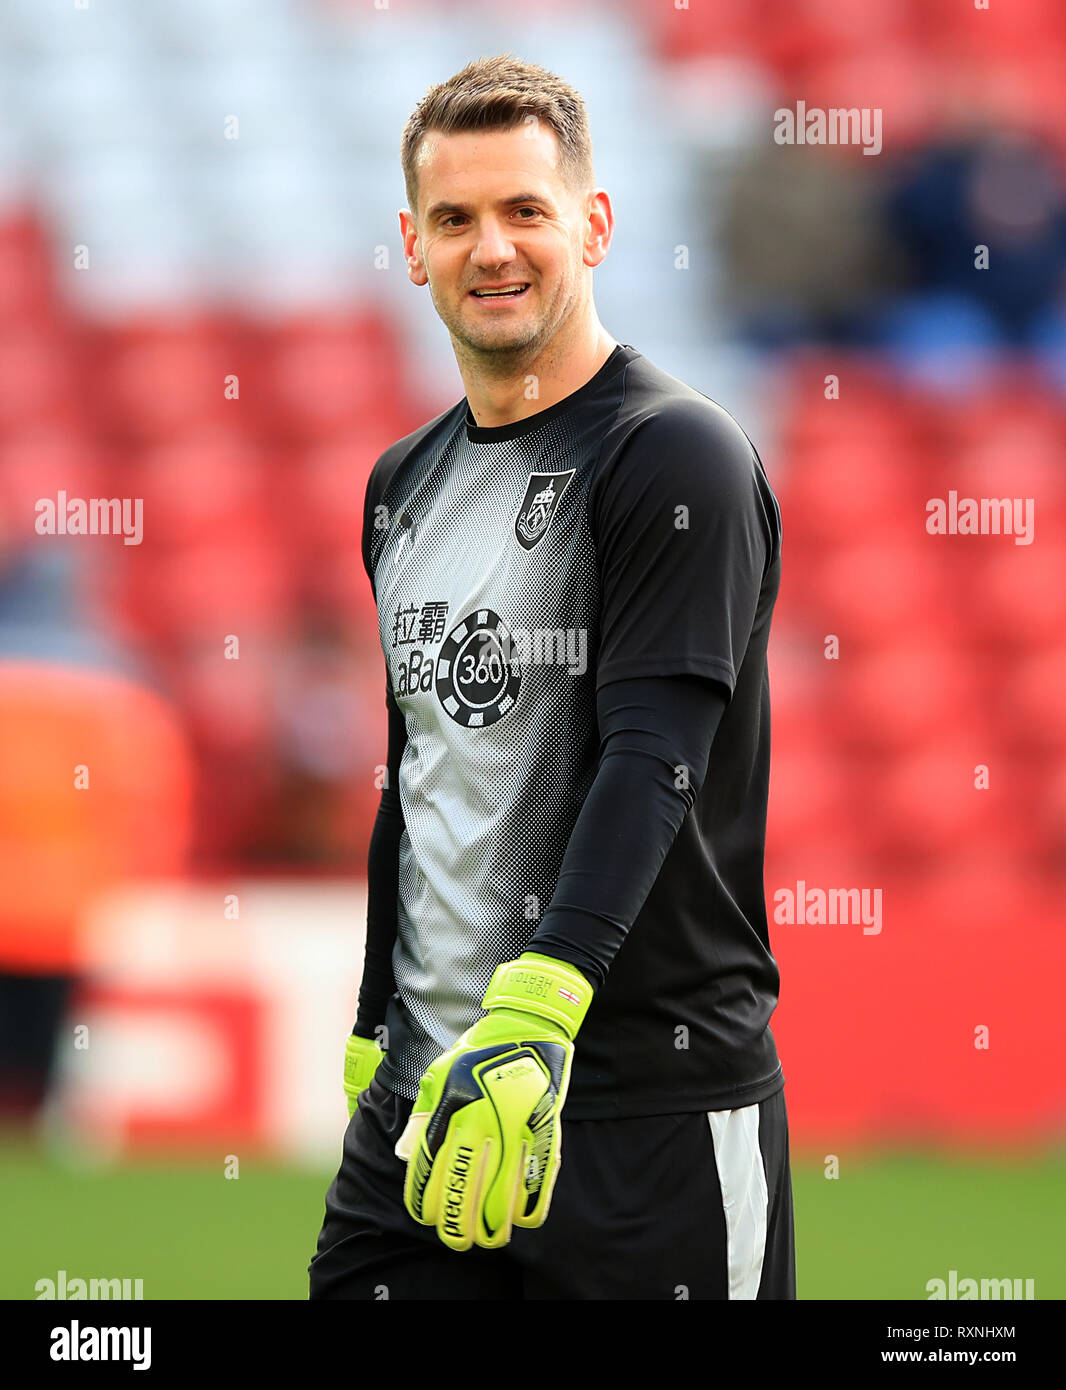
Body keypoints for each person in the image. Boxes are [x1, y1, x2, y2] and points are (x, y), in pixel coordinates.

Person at [308, 54, 793, 1300]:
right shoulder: (398, 487)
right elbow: (416, 769)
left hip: (640, 1118)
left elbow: (655, 750)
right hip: (426, 1119)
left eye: (525, 209)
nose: (494, 248)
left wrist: (538, 1011)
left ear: (594, 222)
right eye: (456, 219)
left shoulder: (672, 453)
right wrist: (379, 1020)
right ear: (411, 248)